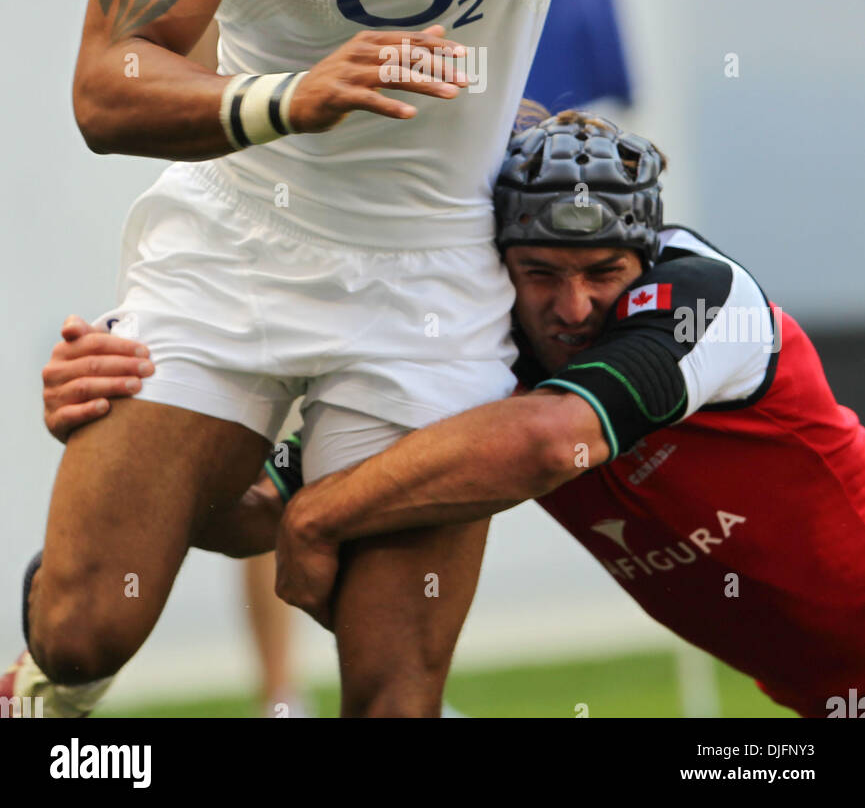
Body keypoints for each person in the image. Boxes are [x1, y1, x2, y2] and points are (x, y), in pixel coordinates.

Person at [5, 0, 814, 719]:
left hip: (431, 283)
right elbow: (107, 82)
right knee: (86, 626)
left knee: (392, 694)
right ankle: (44, 684)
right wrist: (295, 94)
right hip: (232, 250)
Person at [32, 109, 865, 719]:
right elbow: (253, 515)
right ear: (496, 255)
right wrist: (123, 421)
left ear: (643, 256)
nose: (571, 308)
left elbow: (550, 441)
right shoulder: (474, 344)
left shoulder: (700, 301)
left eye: (601, 272)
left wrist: (318, 518)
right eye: (537, 272)